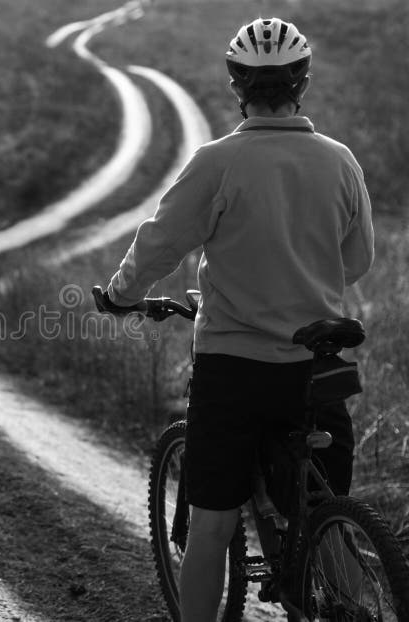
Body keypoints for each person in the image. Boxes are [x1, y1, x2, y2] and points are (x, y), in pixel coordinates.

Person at [97, 17, 374, 621]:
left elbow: (159, 245)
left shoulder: (218, 162)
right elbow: (356, 262)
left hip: (234, 367)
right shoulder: (341, 161)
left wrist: (120, 294)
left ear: (236, 86)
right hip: (319, 365)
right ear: (303, 83)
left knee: (213, 524)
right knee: (327, 512)